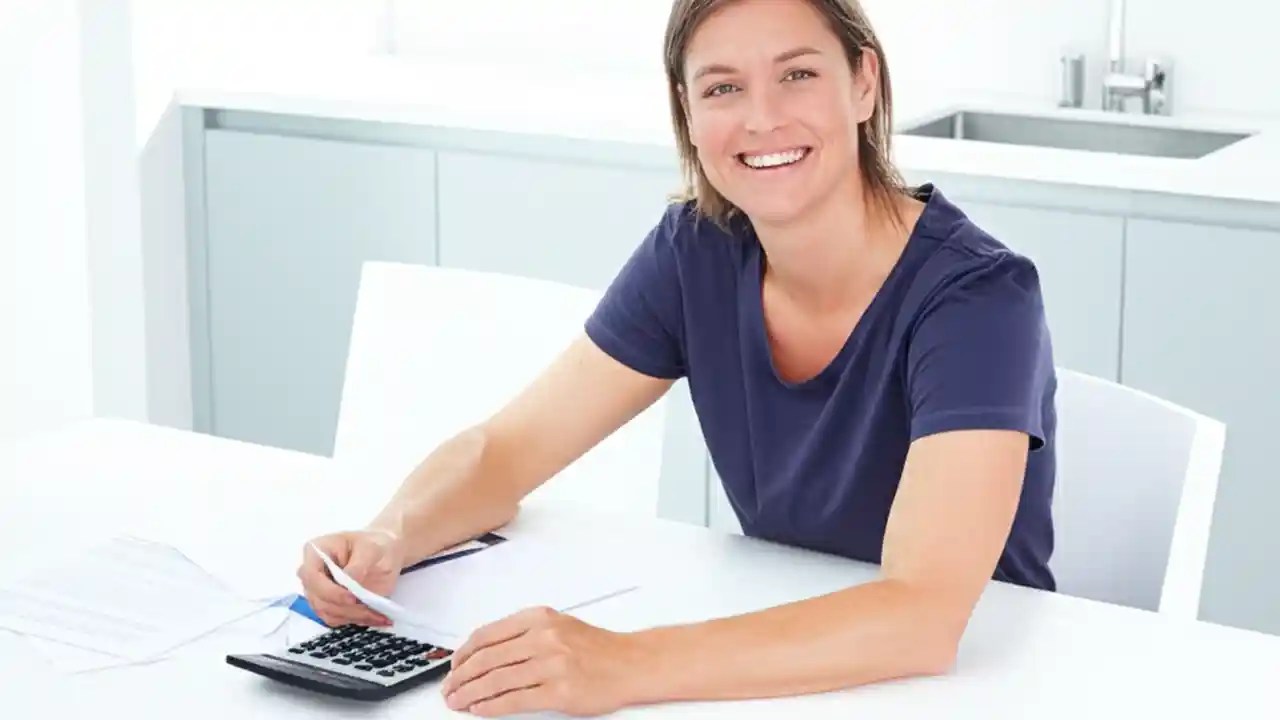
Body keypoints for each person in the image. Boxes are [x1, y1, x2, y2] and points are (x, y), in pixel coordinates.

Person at [297, 0, 1057, 715]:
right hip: (788, 668)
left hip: (971, 690)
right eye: (723, 87)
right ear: (688, 114)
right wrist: (391, 536)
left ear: (863, 83)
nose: (762, 118)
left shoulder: (979, 299)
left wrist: (621, 665)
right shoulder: (697, 251)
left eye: (798, 74)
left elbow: (920, 617)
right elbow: (505, 454)